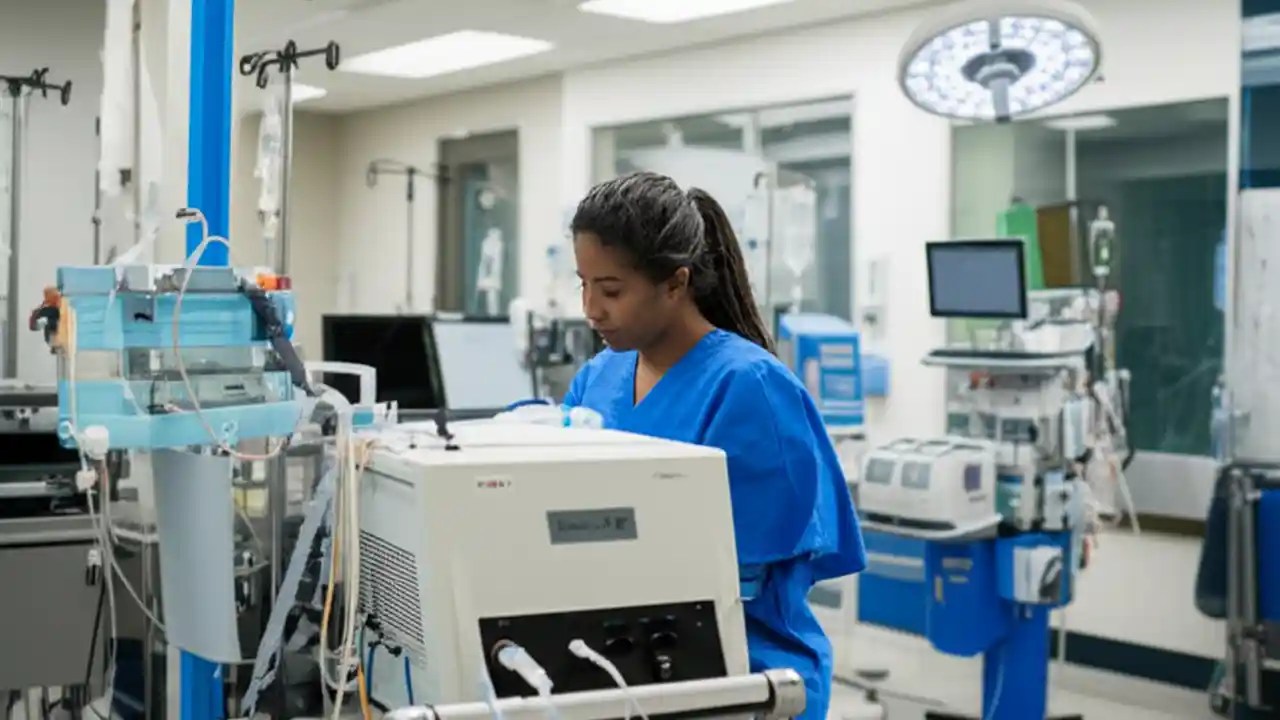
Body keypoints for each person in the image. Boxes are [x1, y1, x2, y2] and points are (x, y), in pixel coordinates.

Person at [562, 171, 866, 720]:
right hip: (621, 658)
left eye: (610, 290)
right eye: (581, 284)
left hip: (744, 673)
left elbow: (735, 574)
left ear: (675, 284)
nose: (590, 308)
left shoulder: (751, 388)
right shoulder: (599, 377)